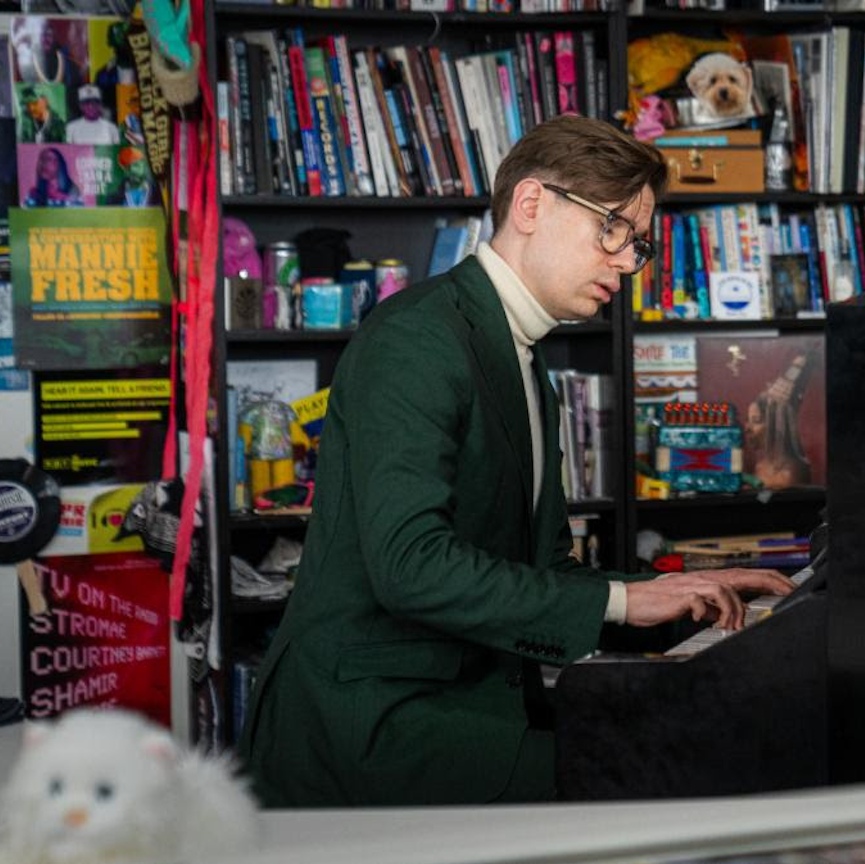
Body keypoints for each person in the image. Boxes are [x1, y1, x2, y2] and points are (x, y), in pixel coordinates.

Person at [240, 115, 793, 807]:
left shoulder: (524, 360)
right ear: (532, 205)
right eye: (613, 229)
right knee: (669, 777)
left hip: (460, 700)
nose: (627, 260)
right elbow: (411, 567)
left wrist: (680, 594)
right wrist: (624, 599)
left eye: (638, 244)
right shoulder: (417, 338)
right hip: (373, 722)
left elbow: (543, 570)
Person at [743, 348, 816, 489]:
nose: (747, 428)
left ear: (777, 425)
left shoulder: (790, 472)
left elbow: (768, 500)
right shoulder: (762, 464)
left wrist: (754, 491)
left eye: (757, 421)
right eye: (748, 420)